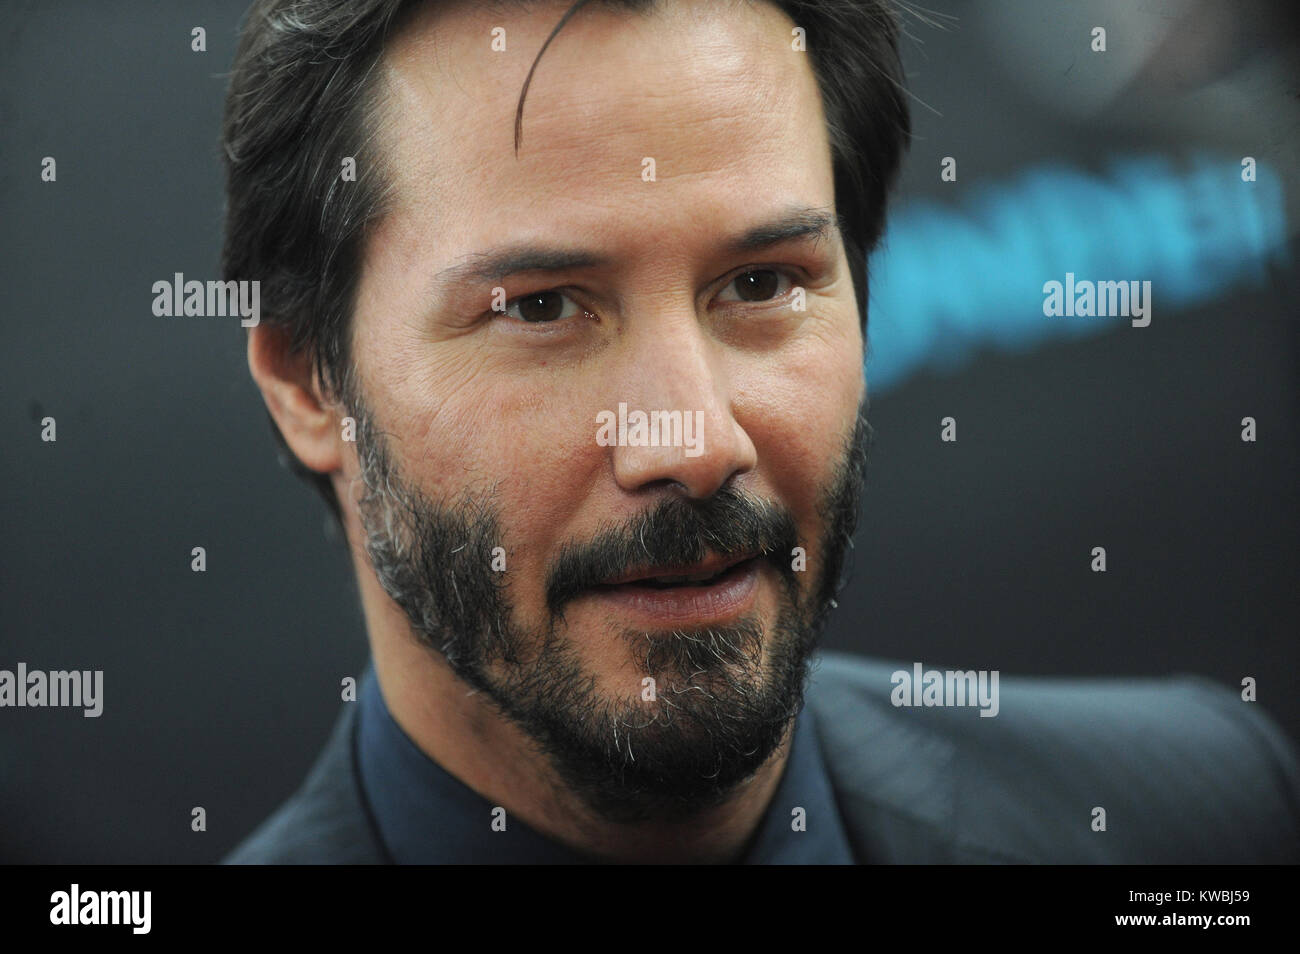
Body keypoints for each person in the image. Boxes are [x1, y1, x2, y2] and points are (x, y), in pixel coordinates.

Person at [221, 0, 1299, 864]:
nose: (693, 441)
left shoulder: (1197, 815)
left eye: (760, 282)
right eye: (541, 307)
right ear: (309, 384)